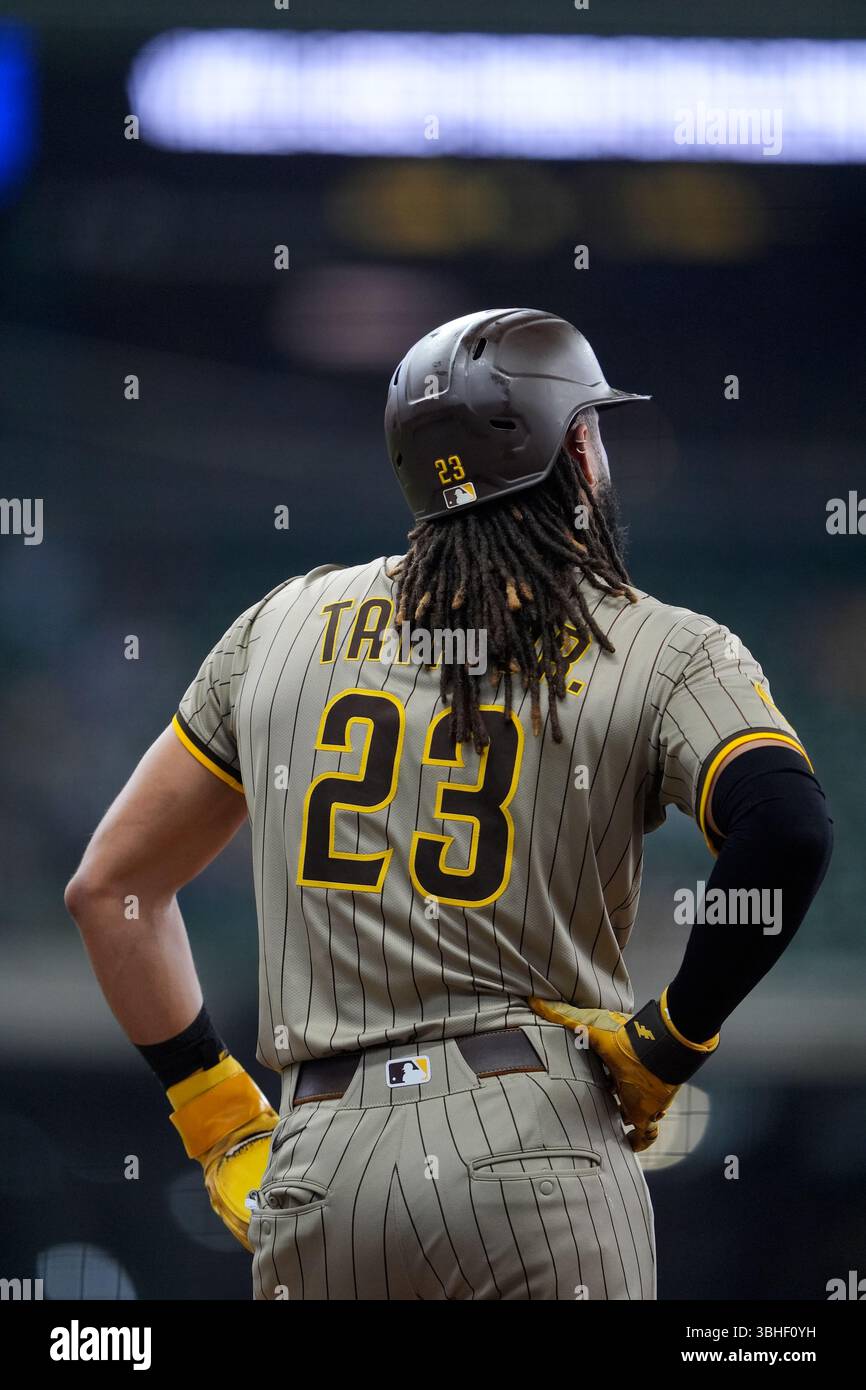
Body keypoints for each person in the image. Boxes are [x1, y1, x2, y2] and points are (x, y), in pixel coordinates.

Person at [65, 308, 832, 1300]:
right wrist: (671, 1037)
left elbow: (111, 888)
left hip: (321, 1169)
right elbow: (785, 825)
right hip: (536, 1143)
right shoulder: (658, 644)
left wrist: (217, 1112)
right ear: (579, 448)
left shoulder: (277, 626)